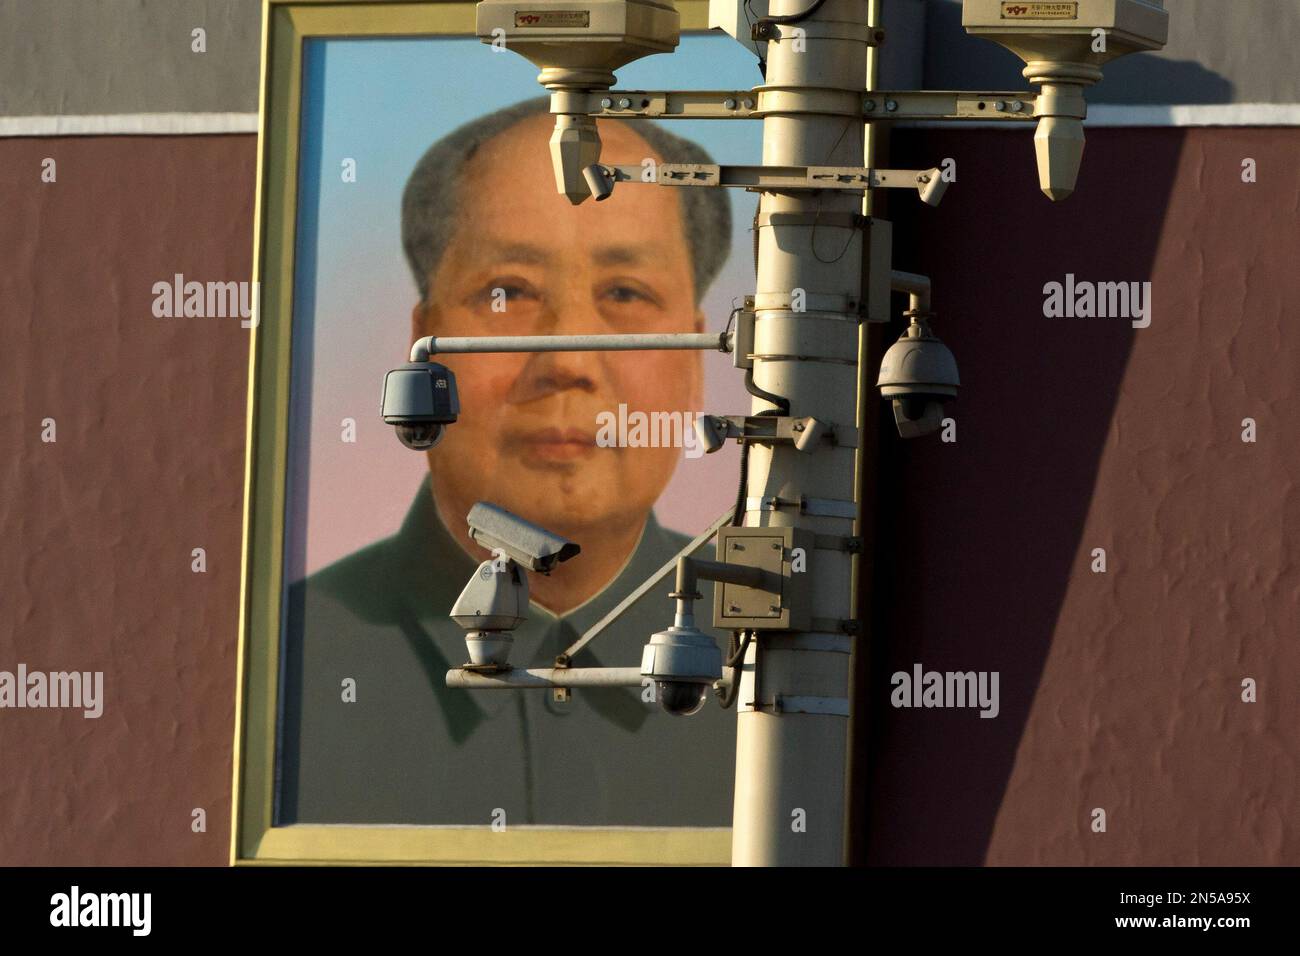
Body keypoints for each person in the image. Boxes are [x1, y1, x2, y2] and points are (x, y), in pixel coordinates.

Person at [279, 98, 740, 827]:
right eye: (508, 293)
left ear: (696, 359)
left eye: (625, 294)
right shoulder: (282, 664)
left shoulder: (774, 657)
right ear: (423, 342)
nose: (568, 360)